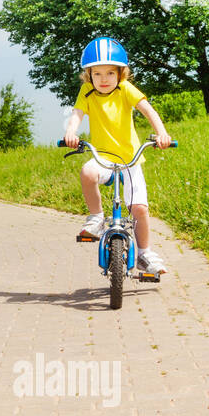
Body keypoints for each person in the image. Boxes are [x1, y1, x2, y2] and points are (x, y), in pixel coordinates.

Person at [62, 37, 173, 276]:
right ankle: (96, 218)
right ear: (88, 75)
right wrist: (71, 131)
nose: (104, 79)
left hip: (129, 159)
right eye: (97, 74)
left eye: (110, 73)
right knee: (87, 172)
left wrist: (161, 133)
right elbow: (77, 114)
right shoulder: (87, 92)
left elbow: (148, 110)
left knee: (139, 209)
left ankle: (144, 253)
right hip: (102, 157)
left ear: (121, 74)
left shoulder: (126, 90)